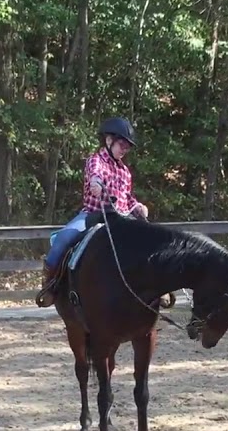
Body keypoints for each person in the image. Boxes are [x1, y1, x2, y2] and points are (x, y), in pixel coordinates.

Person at [35, 116, 149, 308]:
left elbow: (127, 197)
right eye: (122, 144)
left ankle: (154, 287)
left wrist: (137, 206)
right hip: (94, 214)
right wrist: (96, 183)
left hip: (121, 218)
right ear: (109, 140)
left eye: (128, 146)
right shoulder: (96, 161)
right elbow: (94, 176)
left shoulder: (125, 171)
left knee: (149, 240)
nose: (125, 149)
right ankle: (50, 284)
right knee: (63, 239)